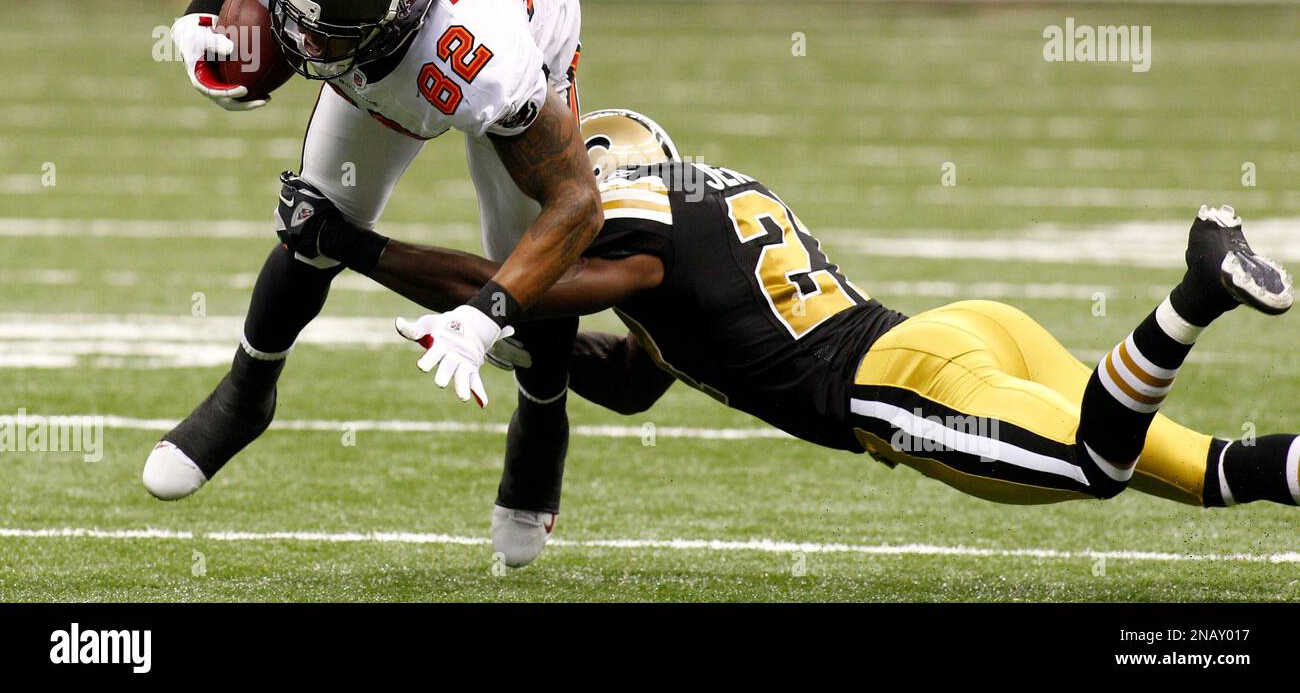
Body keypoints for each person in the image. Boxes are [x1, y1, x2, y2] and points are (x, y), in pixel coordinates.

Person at [276, 108, 1296, 567]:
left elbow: (512, 280)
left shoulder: (634, 223)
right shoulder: (701, 206)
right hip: (966, 334)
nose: (556, 209)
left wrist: (353, 246)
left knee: (1096, 463)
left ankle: (1195, 293)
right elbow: (636, 380)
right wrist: (520, 342)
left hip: (894, 390)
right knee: (1210, 471)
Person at [144, 0, 601, 551]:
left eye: (321, 32)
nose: (297, 43)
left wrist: (482, 317)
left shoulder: (480, 61)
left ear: (394, 21)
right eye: (295, 17)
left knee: (527, 281)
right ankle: (246, 395)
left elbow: (576, 206)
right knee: (313, 222)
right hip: (395, 48)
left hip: (528, 25)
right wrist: (200, 13)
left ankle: (541, 421)